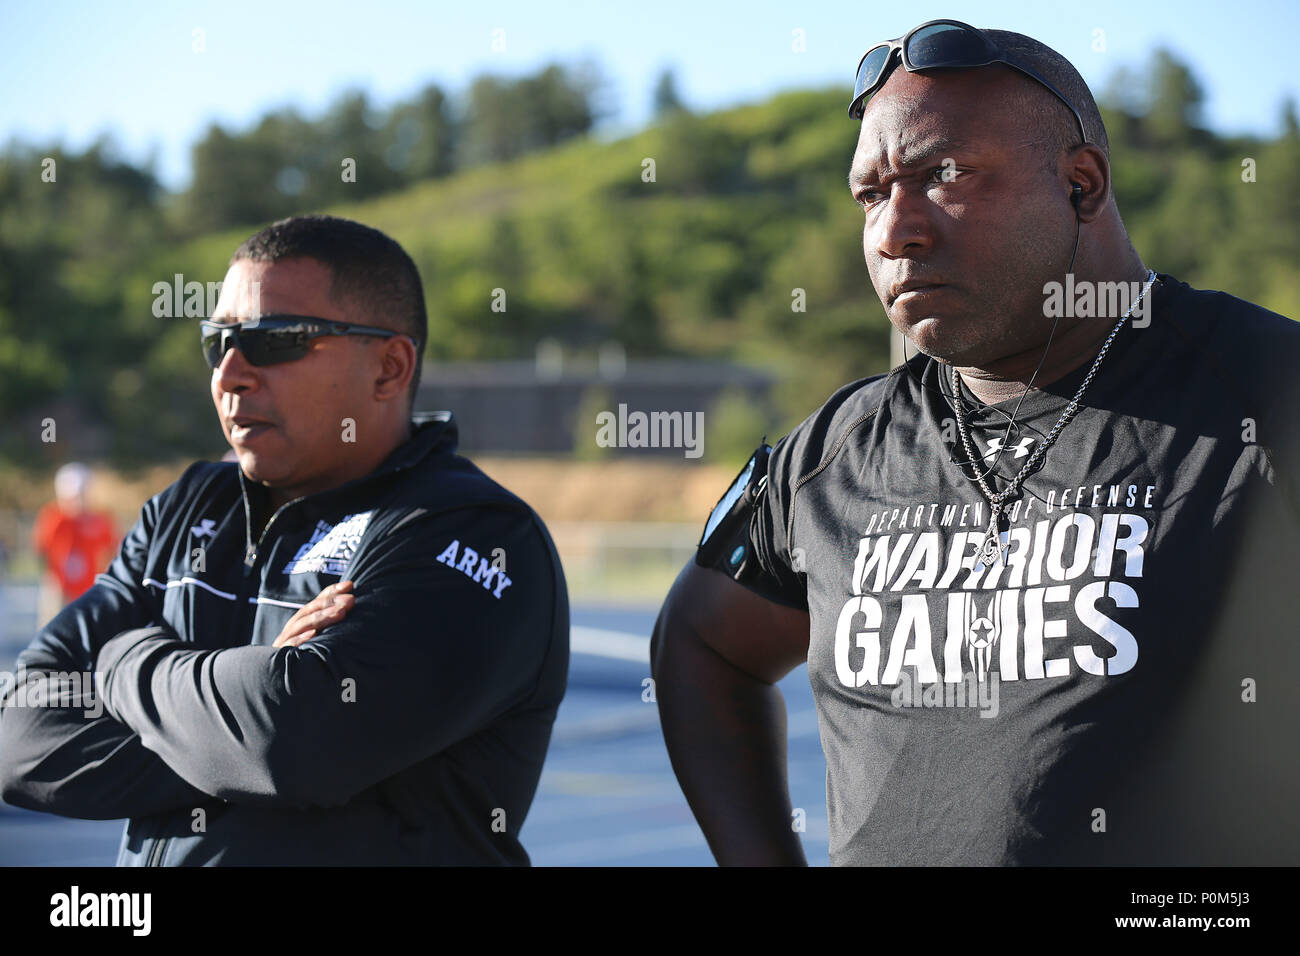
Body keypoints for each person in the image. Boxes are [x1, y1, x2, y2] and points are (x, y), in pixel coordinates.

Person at [652, 20, 1300, 866]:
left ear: (1081, 184)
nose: (895, 230)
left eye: (943, 175)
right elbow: (700, 645)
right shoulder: (831, 453)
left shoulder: (1266, 394)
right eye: (871, 195)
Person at [0, 214, 570, 865]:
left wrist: (127, 661)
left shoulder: (472, 532)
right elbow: (21, 734)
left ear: (389, 367)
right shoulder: (184, 508)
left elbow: (292, 743)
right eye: (219, 341)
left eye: (276, 340)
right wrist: (234, 728)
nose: (232, 373)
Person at [31, 463, 120, 626]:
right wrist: (53, 579)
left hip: (89, 588)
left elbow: (111, 551)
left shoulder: (99, 520)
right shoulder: (54, 517)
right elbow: (42, 549)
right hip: (60, 588)